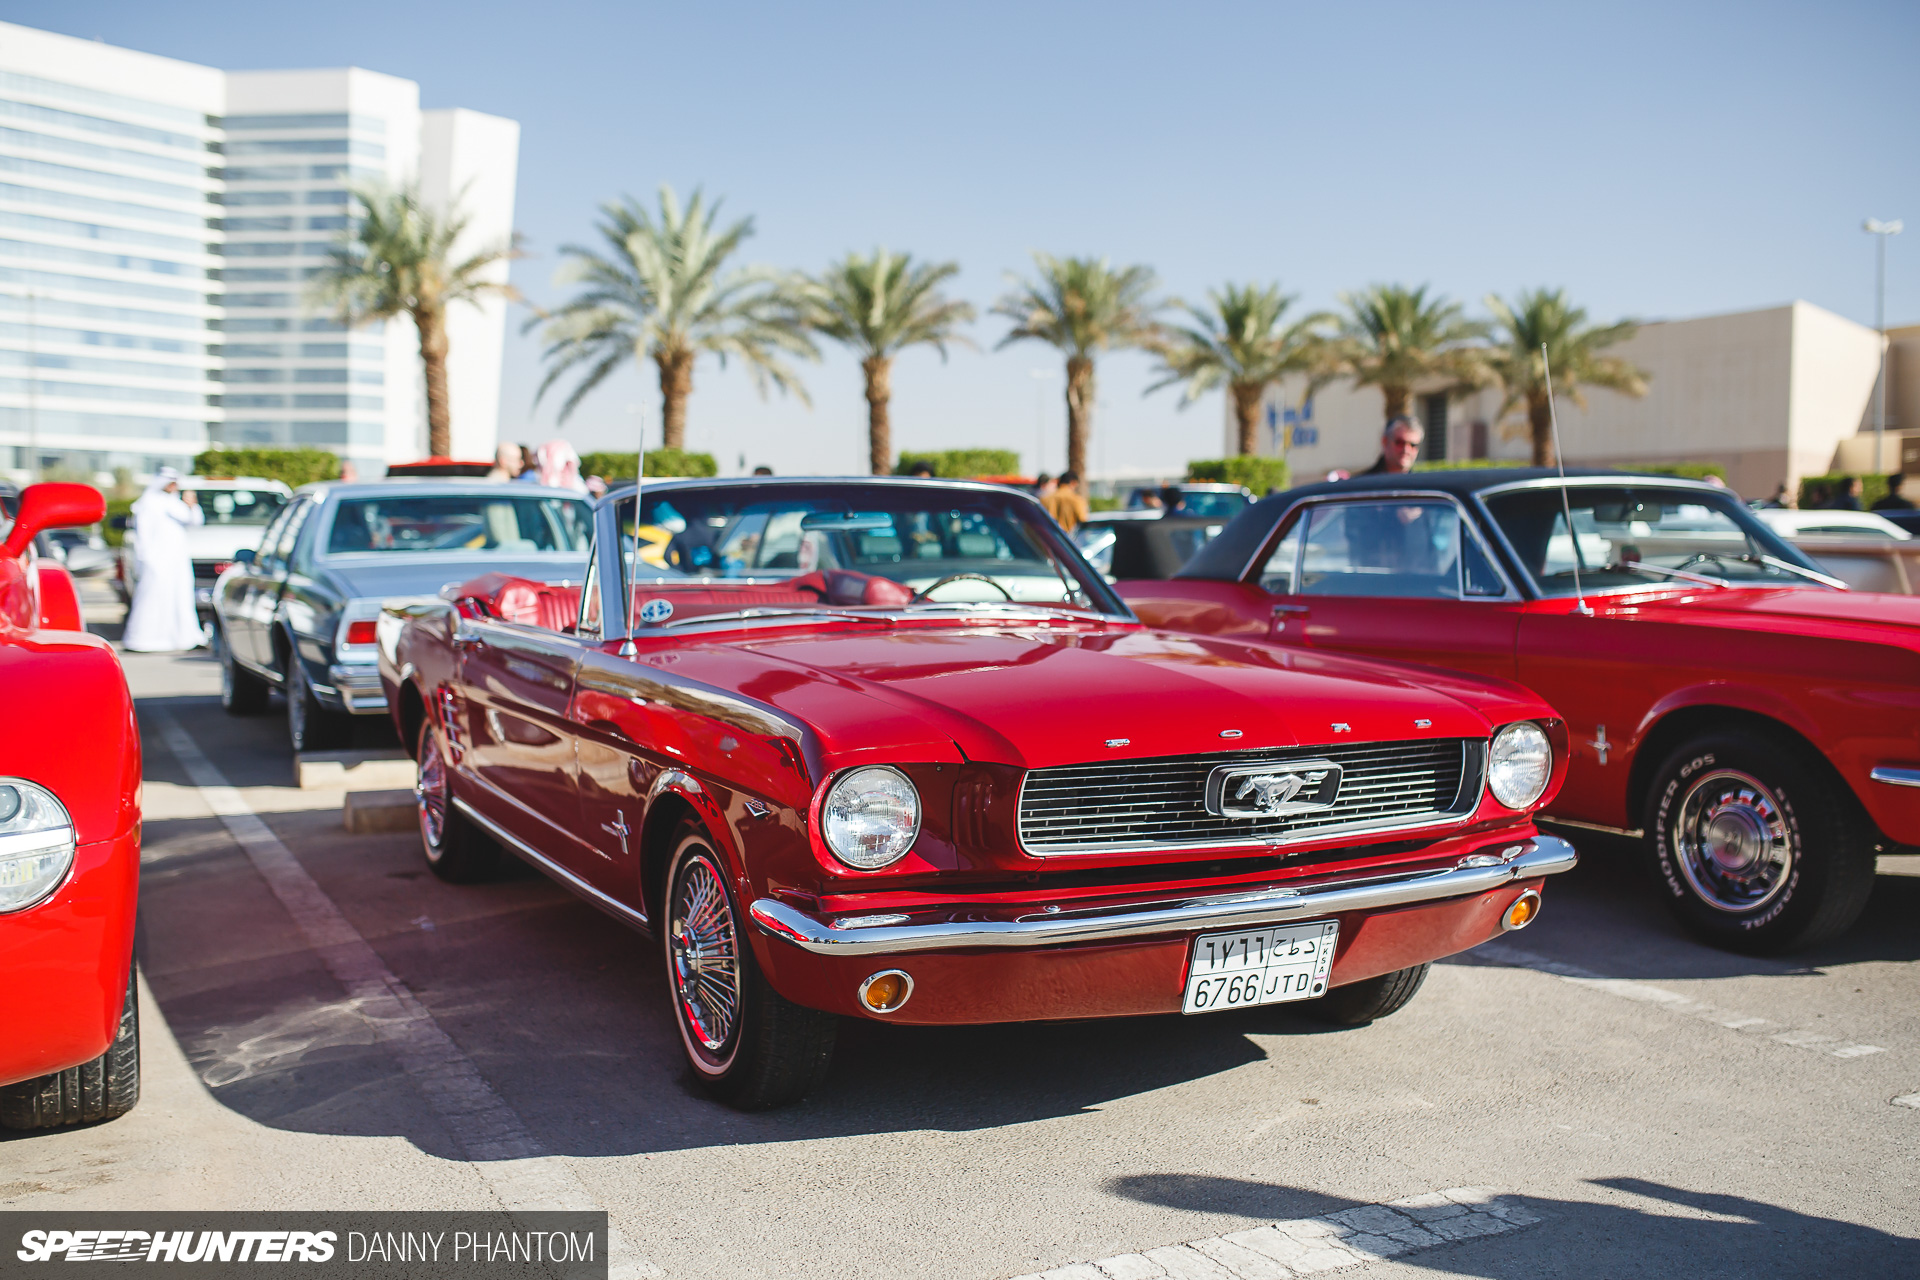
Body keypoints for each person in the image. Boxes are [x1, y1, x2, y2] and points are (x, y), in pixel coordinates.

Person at [122, 468, 205, 653]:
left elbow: (195, 521)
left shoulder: (175, 502)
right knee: (151, 597)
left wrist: (192, 505)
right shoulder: (148, 502)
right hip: (156, 560)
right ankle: (142, 639)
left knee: (180, 598)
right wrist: (145, 558)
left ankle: (184, 638)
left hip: (177, 560)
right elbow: (142, 534)